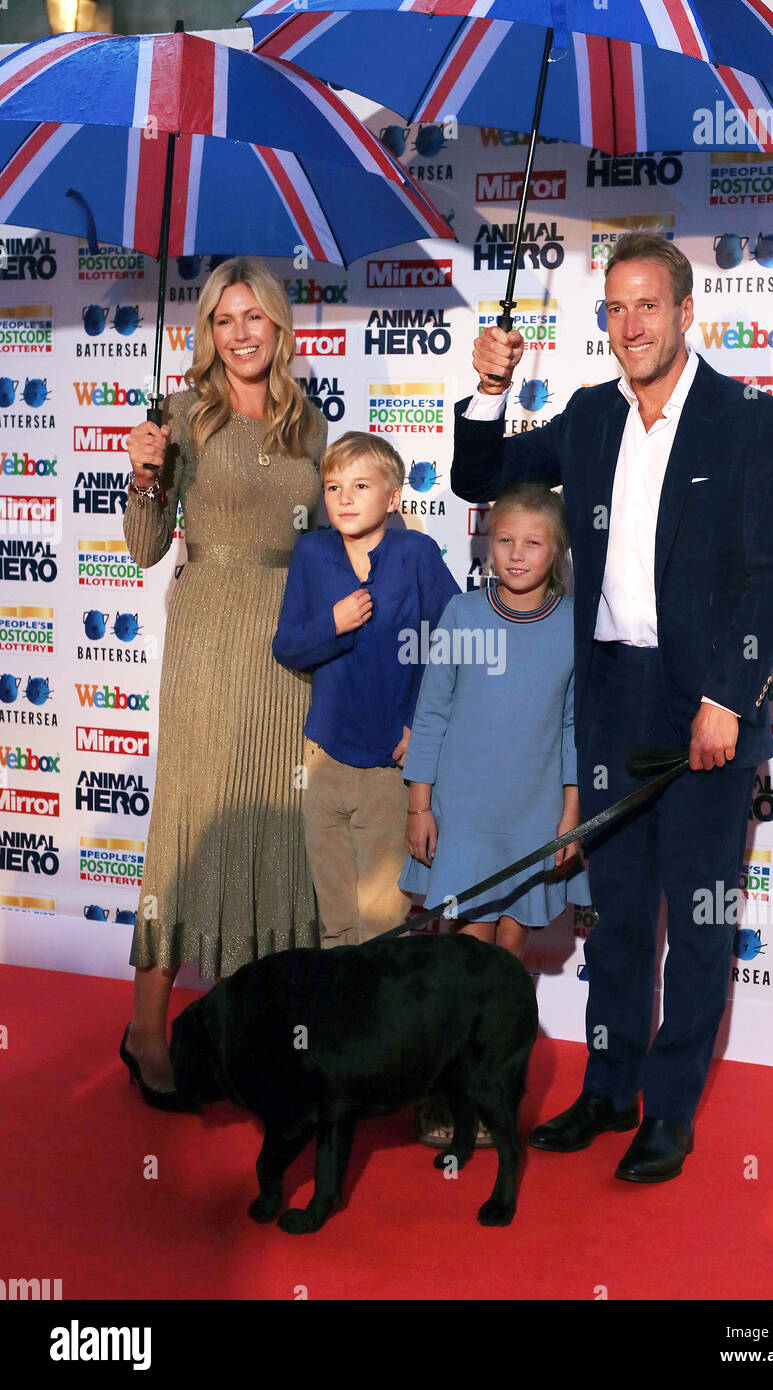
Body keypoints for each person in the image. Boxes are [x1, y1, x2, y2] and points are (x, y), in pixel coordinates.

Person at [451, 231, 773, 1182]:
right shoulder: (587, 415)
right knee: (614, 912)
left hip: (707, 705)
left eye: (647, 304)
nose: (629, 324)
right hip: (611, 695)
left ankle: (669, 1110)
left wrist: (727, 698)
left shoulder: (750, 422)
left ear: (686, 313)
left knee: (694, 920)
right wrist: (488, 390)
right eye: (613, 308)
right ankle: (606, 1090)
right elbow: (476, 480)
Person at [119, 256, 327, 1109]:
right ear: (205, 332)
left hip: (292, 646)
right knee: (192, 824)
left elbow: (324, 534)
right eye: (223, 319)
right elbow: (142, 547)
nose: (240, 334)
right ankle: (145, 1029)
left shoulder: (306, 423)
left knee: (278, 832)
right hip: (209, 633)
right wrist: (141, 474)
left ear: (279, 327)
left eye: (254, 318)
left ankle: (260, 1035)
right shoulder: (177, 417)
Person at [400, 483, 590, 1145]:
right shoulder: (461, 613)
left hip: (534, 819)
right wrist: (418, 804)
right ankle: (441, 1097)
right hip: (463, 816)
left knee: (507, 973)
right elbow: (431, 713)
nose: (516, 554)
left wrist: (570, 816)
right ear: (486, 543)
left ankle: (491, 1098)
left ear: (558, 550)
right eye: (504, 540)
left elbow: (573, 726)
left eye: (533, 542)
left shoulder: (571, 626)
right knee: (461, 968)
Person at [272, 431, 459, 948]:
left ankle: (380, 1026)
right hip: (325, 757)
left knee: (382, 924)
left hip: (390, 767)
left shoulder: (416, 553)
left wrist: (419, 726)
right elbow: (286, 645)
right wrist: (332, 622)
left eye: (360, 485)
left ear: (393, 497)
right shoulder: (311, 552)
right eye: (332, 488)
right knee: (335, 923)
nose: (344, 499)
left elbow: (450, 644)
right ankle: (339, 1028)